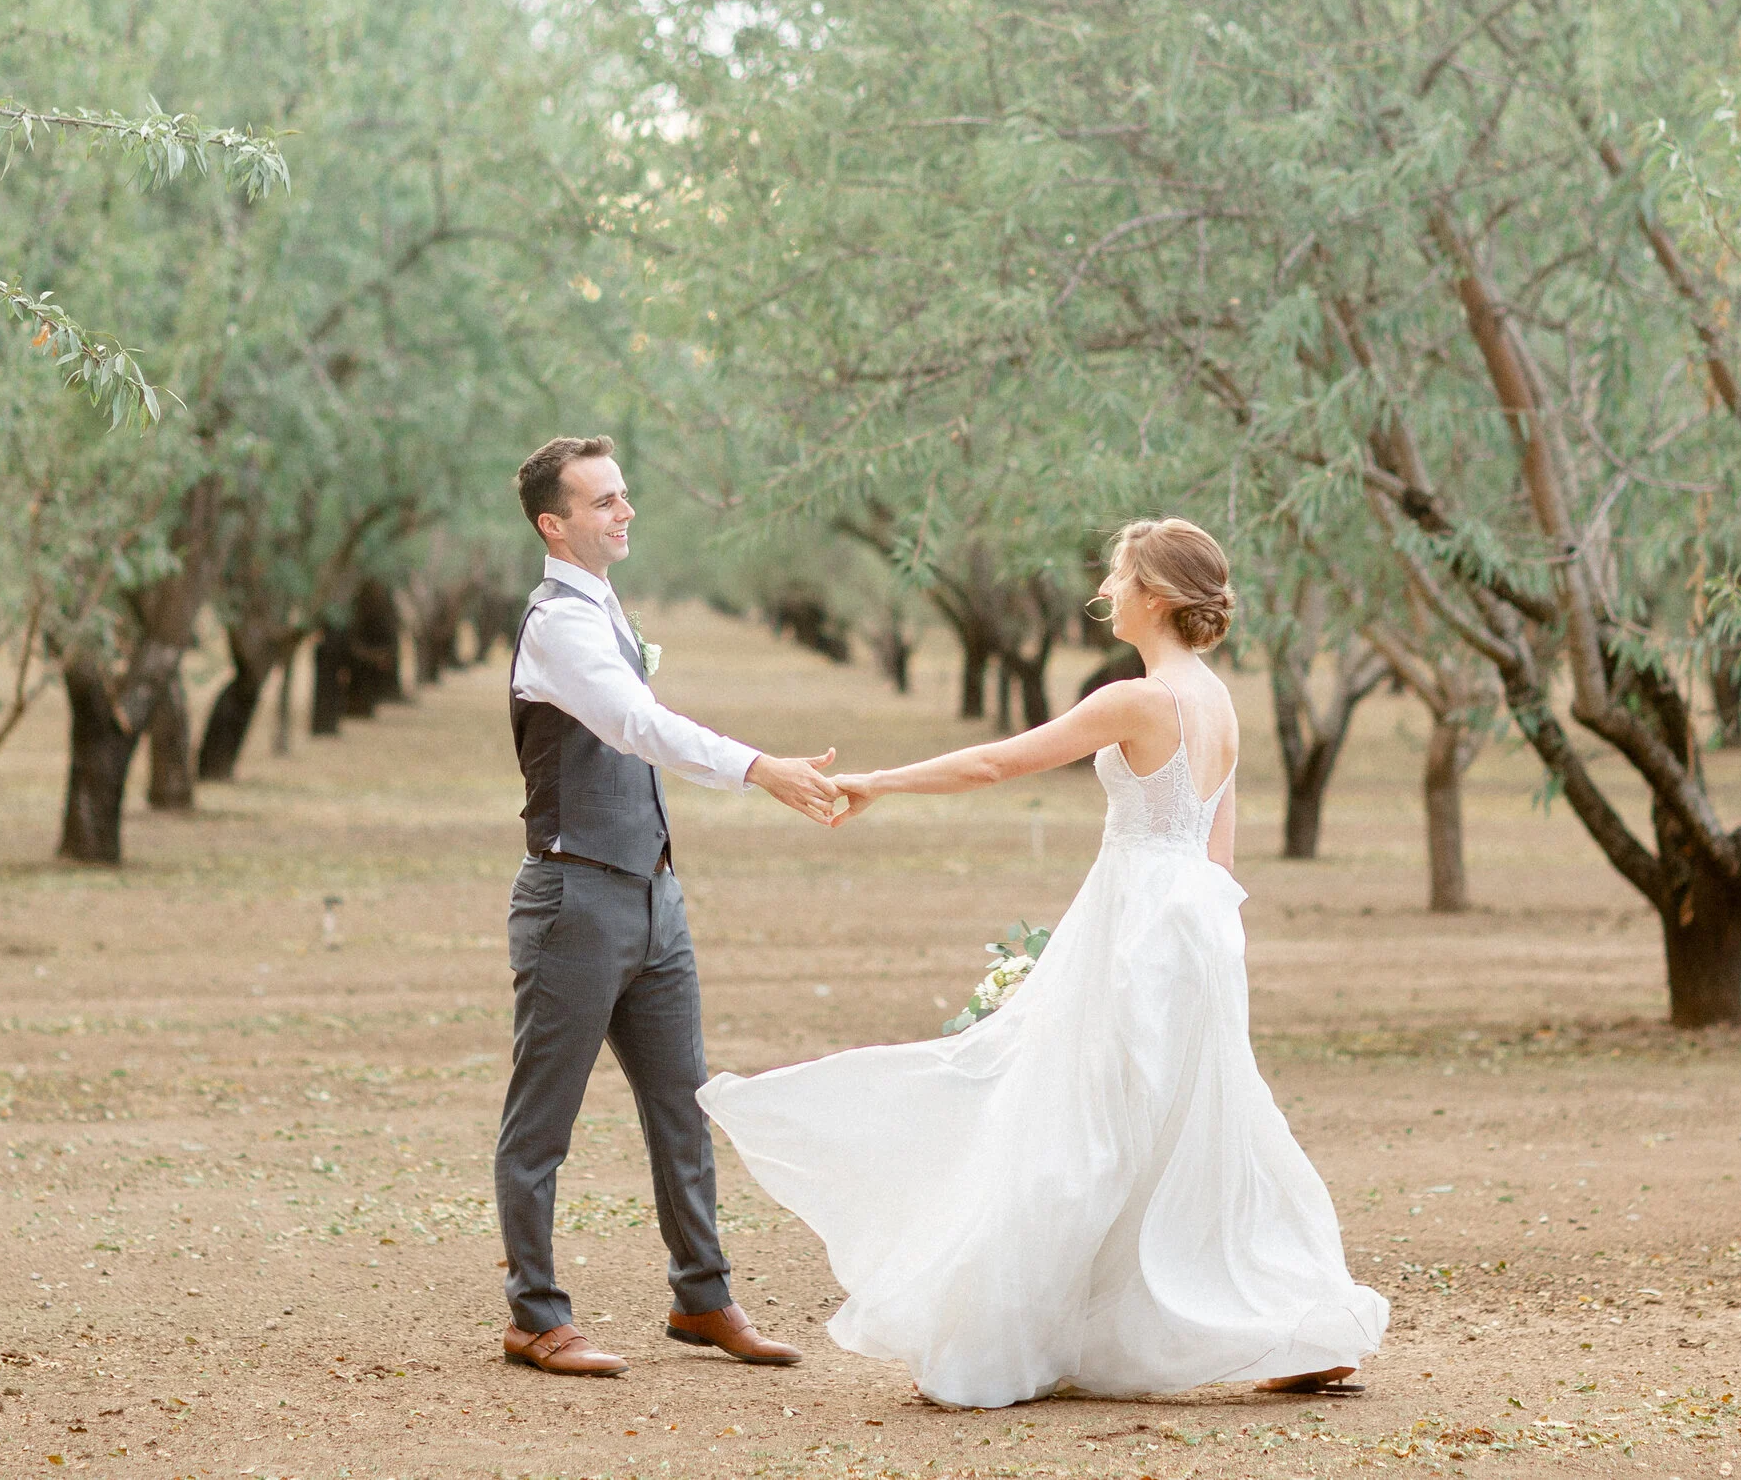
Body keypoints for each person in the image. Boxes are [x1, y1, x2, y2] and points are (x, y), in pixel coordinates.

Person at [699, 518, 1389, 1408]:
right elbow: (1220, 837)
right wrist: (1207, 935)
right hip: (1196, 924)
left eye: (1117, 575)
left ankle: (1014, 1331)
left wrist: (877, 782)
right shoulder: (1215, 697)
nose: (1104, 590)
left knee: (1084, 1124)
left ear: (1154, 596)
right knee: (1198, 1120)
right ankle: (1285, 1315)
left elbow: (996, 762)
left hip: (1139, 922)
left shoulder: (1138, 699)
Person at [496, 434, 842, 1379]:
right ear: (553, 524)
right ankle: (535, 1315)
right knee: (543, 1122)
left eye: (623, 495)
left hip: (653, 896)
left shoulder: (603, 608)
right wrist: (759, 766)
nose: (625, 511)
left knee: (682, 1108)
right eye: (603, 501)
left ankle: (703, 1297)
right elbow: (634, 725)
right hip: (574, 897)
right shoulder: (558, 626)